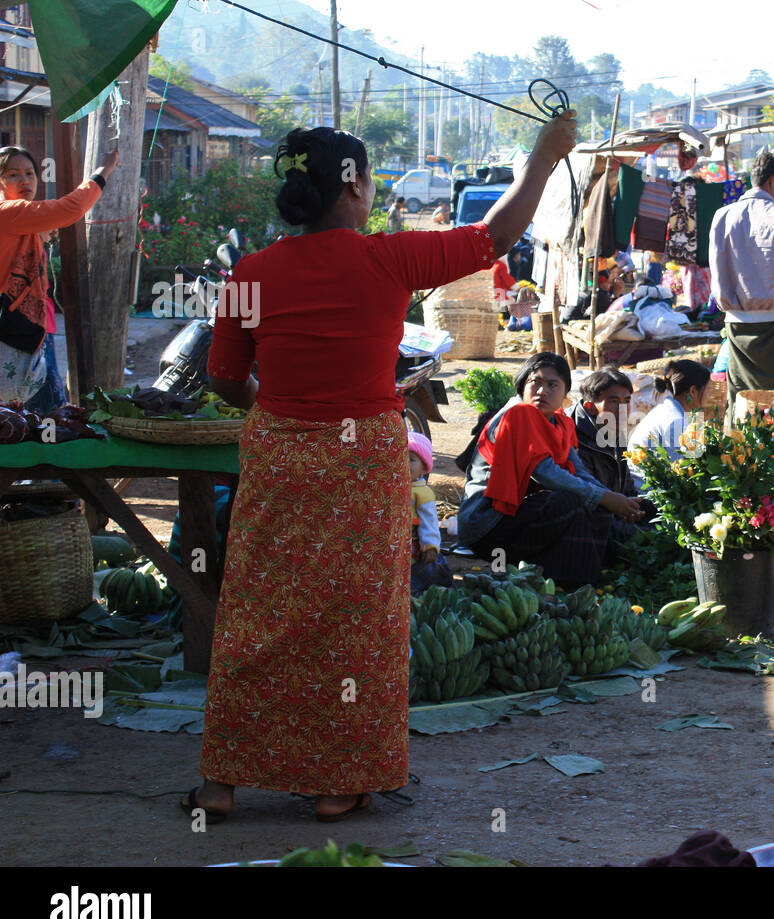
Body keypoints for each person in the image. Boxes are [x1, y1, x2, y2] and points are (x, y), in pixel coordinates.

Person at [188, 110, 578, 823]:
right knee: (355, 619)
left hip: (278, 454)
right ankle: (338, 784)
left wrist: (271, 403)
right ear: (354, 188)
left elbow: (220, 376)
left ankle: (223, 781)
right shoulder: (390, 258)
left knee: (257, 612)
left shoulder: (250, 272)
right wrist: (544, 156)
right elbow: (495, 236)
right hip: (360, 461)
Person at [458, 352, 642, 587]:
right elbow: (545, 473)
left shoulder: (560, 423)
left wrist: (615, 501)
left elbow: (579, 471)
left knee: (593, 503)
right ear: (522, 385)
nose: (543, 391)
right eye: (535, 382)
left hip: (517, 519)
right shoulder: (518, 415)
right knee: (572, 501)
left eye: (553, 385)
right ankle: (567, 583)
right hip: (488, 526)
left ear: (565, 394)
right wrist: (605, 498)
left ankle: (578, 583)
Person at [0, 145, 119, 410]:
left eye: (30, 173)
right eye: (13, 175)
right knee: (44, 416)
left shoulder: (21, 218)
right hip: (13, 334)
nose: (24, 181)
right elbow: (71, 208)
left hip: (32, 330)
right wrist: (104, 170)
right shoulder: (8, 211)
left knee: (32, 415)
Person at [710, 151, 774, 416]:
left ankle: (737, 453)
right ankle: (772, 456)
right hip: (772, 320)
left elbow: (717, 269)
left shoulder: (722, 216)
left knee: (739, 396)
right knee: (773, 401)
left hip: (734, 321)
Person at [627, 358, 711, 489]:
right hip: (647, 496)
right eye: (708, 389)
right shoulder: (675, 421)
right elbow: (684, 472)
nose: (709, 396)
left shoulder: (669, 409)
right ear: (693, 391)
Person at [565, 366, 638, 499]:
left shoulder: (616, 431)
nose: (622, 409)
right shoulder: (574, 439)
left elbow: (627, 487)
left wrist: (634, 507)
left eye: (626, 401)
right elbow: (587, 497)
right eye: (613, 401)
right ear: (590, 407)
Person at [408, 430, 452, 594]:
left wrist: (431, 545)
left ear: (424, 468)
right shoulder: (392, 487)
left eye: (411, 460)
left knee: (418, 578)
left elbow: (430, 521)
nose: (404, 463)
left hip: (416, 546)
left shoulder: (422, 493)